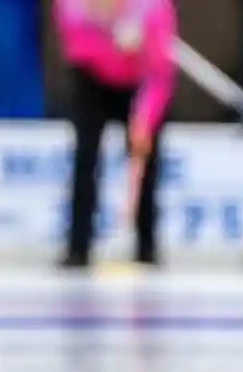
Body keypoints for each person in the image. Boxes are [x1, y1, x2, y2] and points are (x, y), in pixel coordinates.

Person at [54, 0, 178, 269]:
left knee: (147, 161)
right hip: (92, 78)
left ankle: (147, 248)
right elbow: (75, 49)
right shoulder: (71, 6)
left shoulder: (154, 8)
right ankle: (78, 247)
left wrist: (144, 121)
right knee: (85, 157)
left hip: (141, 80)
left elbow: (161, 73)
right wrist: (111, 39)